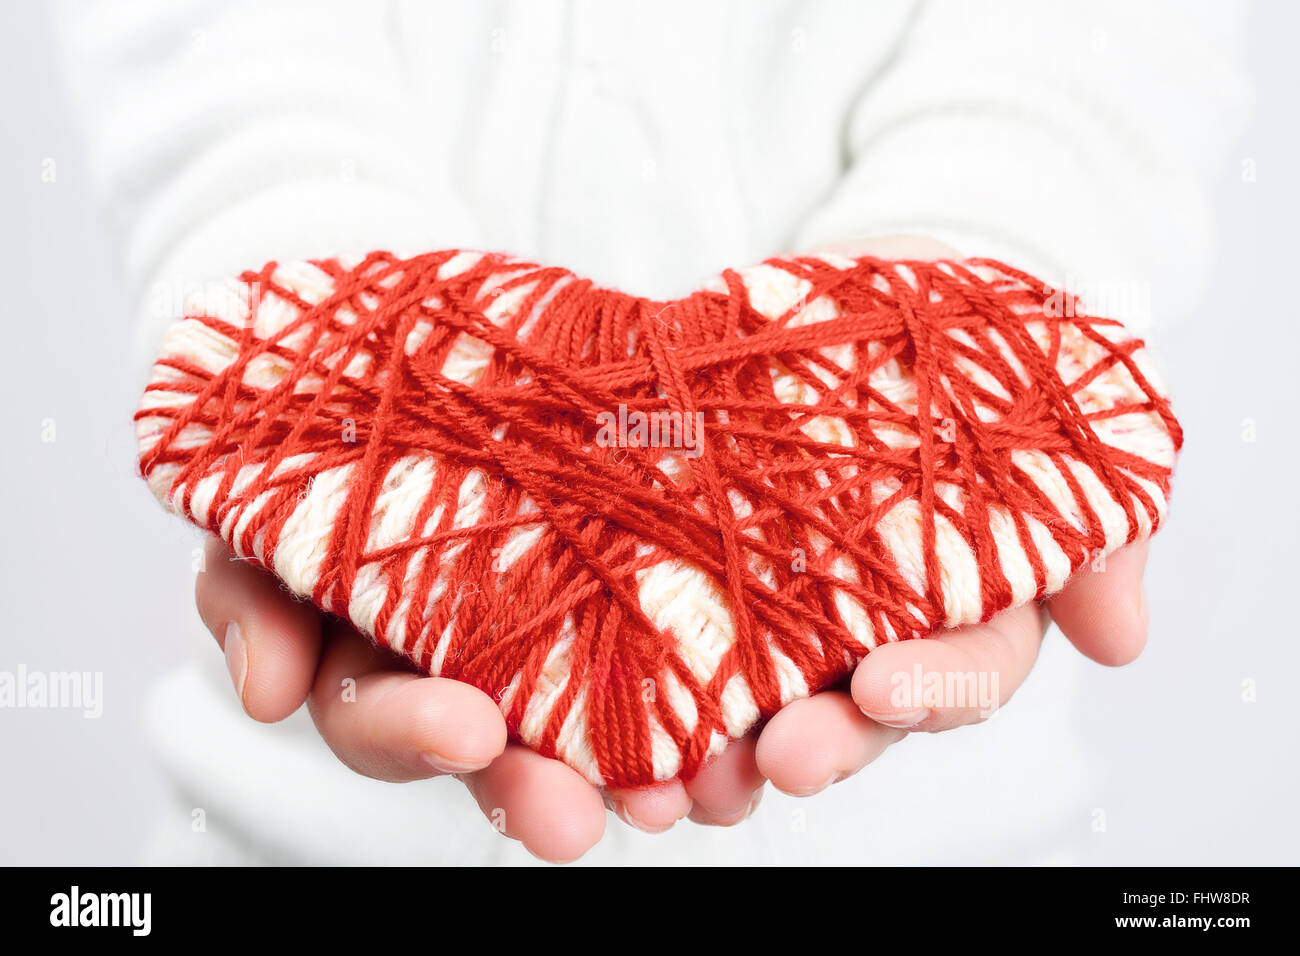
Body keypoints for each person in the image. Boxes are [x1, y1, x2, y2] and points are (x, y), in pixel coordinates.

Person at [54, 0, 1248, 864]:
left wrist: (974, 290)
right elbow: (214, 51)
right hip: (286, 833)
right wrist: (308, 271)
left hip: (950, 834)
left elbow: (1106, 50)